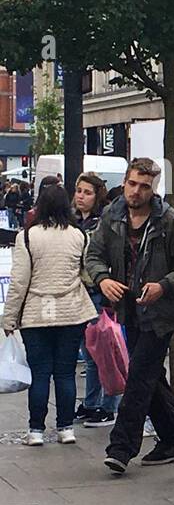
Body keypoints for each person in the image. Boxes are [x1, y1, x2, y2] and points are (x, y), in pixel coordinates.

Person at [86, 157, 174, 475]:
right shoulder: (112, 216)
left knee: (139, 376)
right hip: (129, 310)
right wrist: (103, 278)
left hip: (161, 313)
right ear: (125, 182)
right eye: (132, 184)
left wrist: (164, 286)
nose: (136, 191)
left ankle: (121, 448)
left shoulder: (169, 221)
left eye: (144, 186)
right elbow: (94, 255)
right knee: (151, 377)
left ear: (153, 189)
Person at [2, 184, 96, 446]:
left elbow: (20, 282)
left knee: (40, 374)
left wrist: (9, 318)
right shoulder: (79, 235)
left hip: (36, 313)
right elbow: (86, 275)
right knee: (65, 374)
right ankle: (66, 428)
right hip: (71, 313)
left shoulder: (28, 237)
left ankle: (36, 431)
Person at [71, 172, 121, 427]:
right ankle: (91, 403)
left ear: (97, 196)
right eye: (79, 191)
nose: (80, 196)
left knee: (104, 352)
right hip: (79, 291)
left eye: (87, 192)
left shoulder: (103, 224)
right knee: (89, 352)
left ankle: (108, 406)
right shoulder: (74, 222)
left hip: (98, 291)